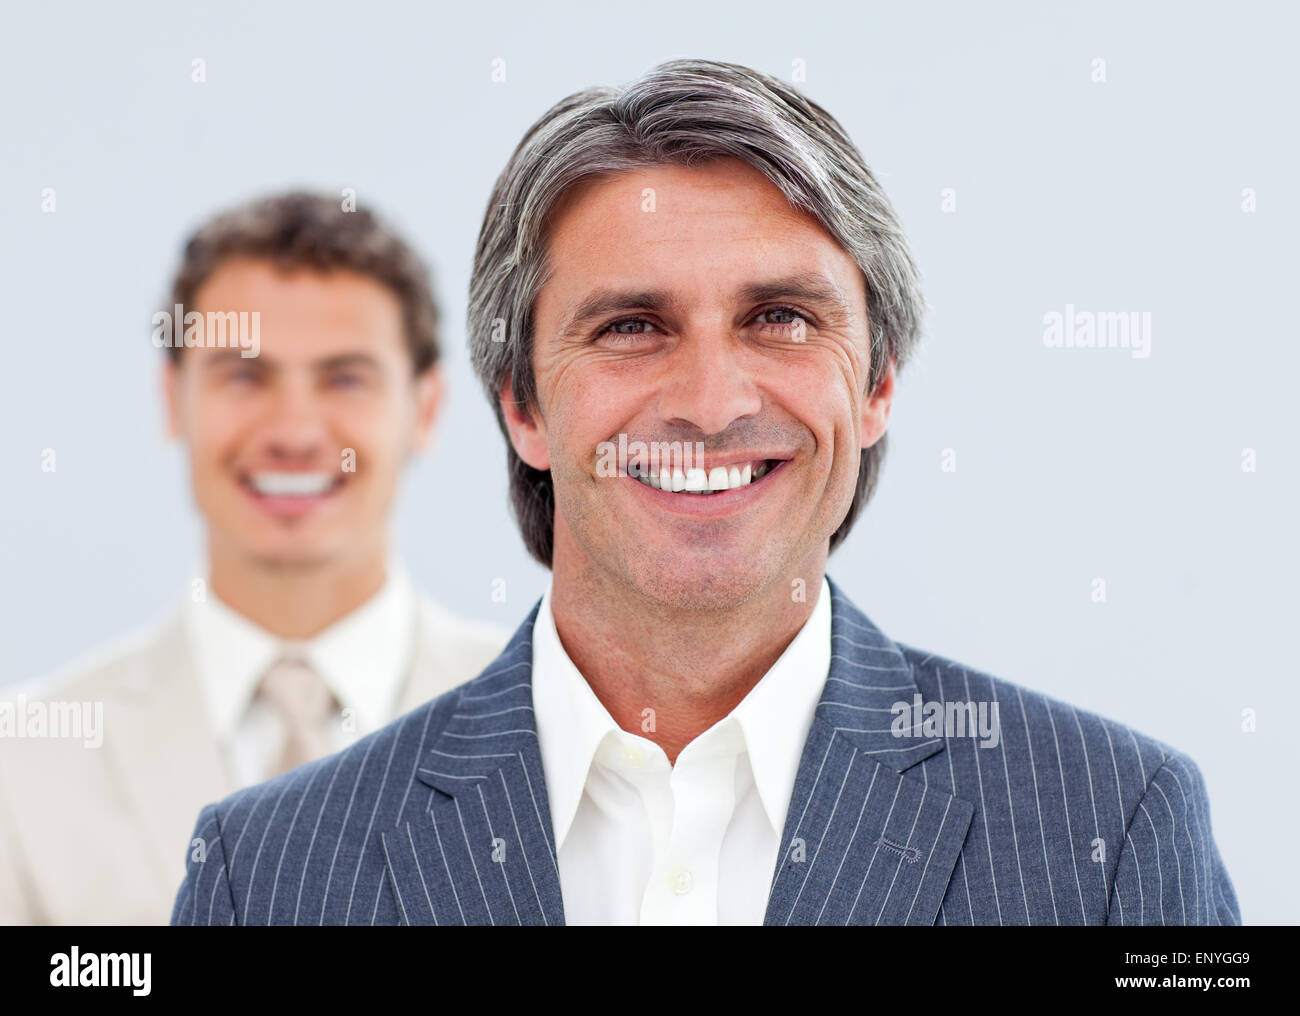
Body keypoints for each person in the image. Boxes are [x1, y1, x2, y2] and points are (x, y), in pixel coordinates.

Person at [171, 63, 1238, 926]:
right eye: (632, 325)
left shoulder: (1111, 828)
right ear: (522, 405)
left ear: (874, 386)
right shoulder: (266, 874)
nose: (712, 401)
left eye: (780, 317)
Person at [0, 192, 507, 924]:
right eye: (244, 376)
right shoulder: (25, 763)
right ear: (173, 399)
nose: (295, 432)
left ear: (425, 409)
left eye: (345, 378)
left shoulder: (547, 725)